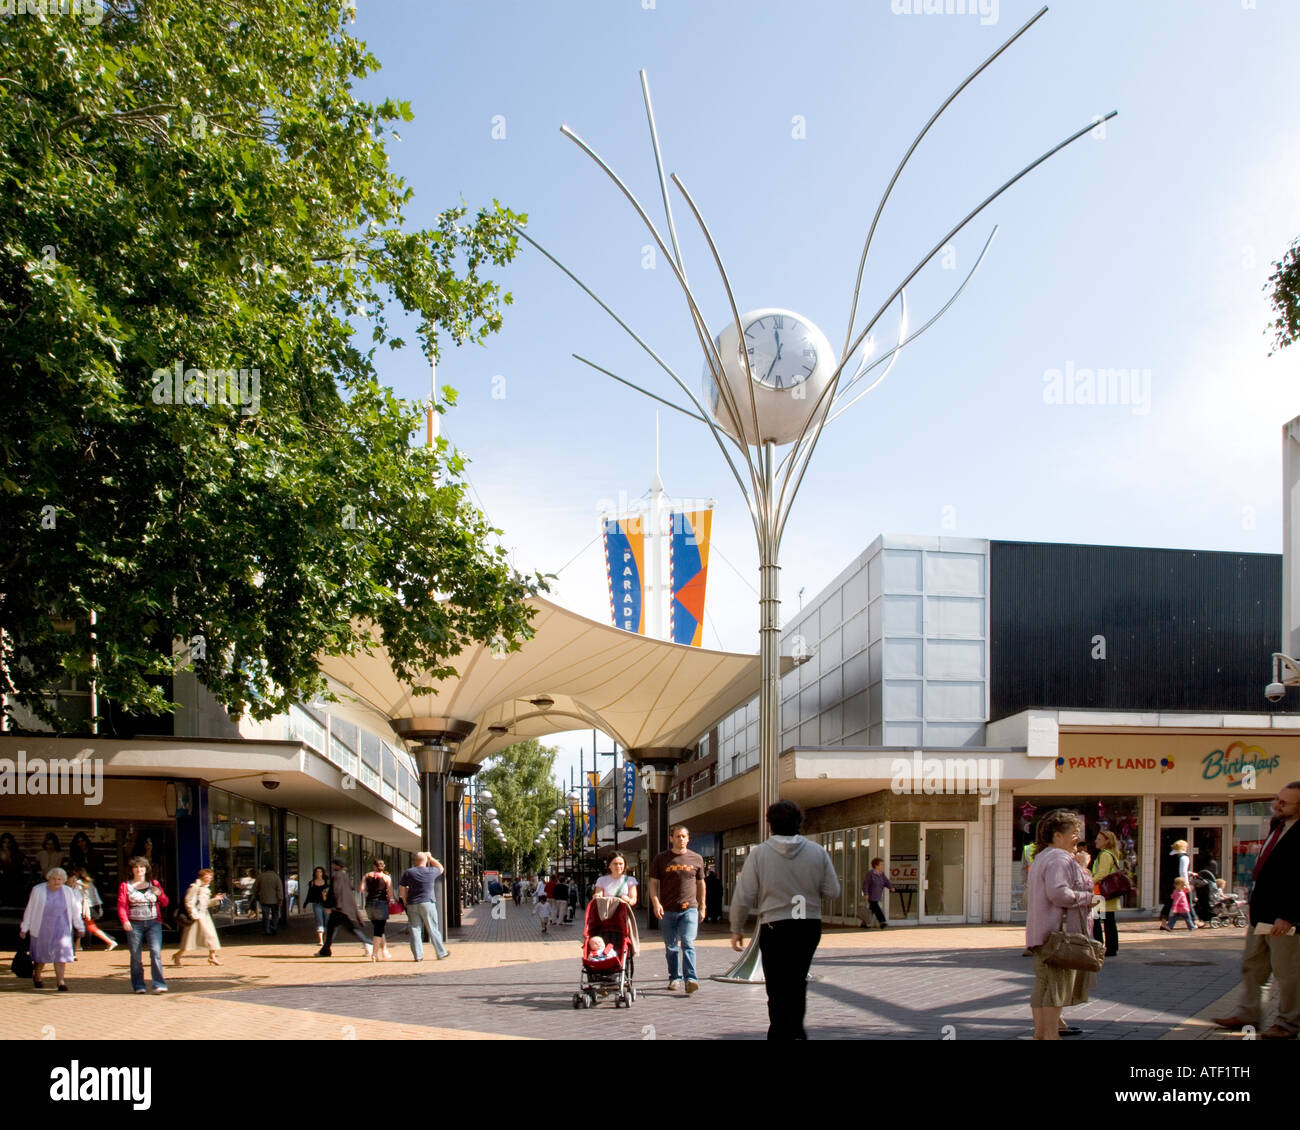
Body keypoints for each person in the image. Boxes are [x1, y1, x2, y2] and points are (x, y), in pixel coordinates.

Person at [729, 799, 842, 1040]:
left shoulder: (759, 853)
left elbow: (744, 894)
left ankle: (779, 1030)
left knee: (777, 985)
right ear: (799, 823)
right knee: (797, 981)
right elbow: (833, 891)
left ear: (770, 824)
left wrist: (737, 928)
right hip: (808, 926)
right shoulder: (817, 851)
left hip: (775, 926)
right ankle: (796, 1030)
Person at [1212, 781, 1300, 1039]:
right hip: (1261, 913)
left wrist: (1289, 915)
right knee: (1253, 966)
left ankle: (1288, 1024)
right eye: (1277, 799)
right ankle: (1248, 1014)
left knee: (1288, 972)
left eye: (1284, 802)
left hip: (1285, 918)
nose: (1277, 805)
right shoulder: (1278, 825)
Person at [1024, 810, 1096, 1040]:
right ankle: (1051, 1035)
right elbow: (1059, 894)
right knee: (1056, 987)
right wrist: (1088, 896)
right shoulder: (1059, 858)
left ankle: (1041, 1034)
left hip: (1041, 933)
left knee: (1043, 985)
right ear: (1057, 835)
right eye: (1074, 832)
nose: (1078, 838)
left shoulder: (1043, 857)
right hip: (1060, 936)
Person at [649, 824, 706, 993]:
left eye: (684, 836)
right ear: (671, 839)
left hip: (690, 908)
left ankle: (691, 979)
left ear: (688, 839)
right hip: (668, 909)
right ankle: (674, 977)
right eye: (677, 836)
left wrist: (702, 905)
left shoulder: (696, 858)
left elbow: (701, 883)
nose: (681, 839)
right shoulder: (661, 859)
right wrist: (656, 903)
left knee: (688, 942)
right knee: (671, 947)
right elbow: (652, 883)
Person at [20, 867, 85, 990]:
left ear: (64, 880)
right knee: (41, 955)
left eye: (60, 879)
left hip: (62, 926)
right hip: (42, 926)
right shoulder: (38, 890)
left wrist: (79, 926)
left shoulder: (68, 891)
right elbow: (30, 909)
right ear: (48, 879)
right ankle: (37, 975)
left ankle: (60, 982)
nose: (56, 881)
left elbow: (75, 911)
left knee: (61, 954)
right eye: (54, 879)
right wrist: (24, 928)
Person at [118, 856, 170, 994]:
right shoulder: (125, 886)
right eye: (136, 867)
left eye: (141, 867)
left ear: (146, 869)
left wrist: (159, 894)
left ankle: (159, 983)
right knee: (136, 956)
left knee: (155, 952)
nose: (139, 869)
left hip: (153, 923)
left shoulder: (154, 884)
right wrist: (124, 920)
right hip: (134, 924)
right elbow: (122, 905)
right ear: (131, 870)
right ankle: (138, 985)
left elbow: (165, 902)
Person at [317, 859, 373, 958]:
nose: (332, 865)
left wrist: (328, 905)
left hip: (340, 908)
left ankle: (368, 943)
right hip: (343, 907)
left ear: (337, 865)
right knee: (331, 928)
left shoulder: (336, 875)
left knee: (351, 928)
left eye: (334, 864)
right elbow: (348, 888)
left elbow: (334, 891)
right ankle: (325, 950)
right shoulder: (344, 875)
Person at [399, 852, 449, 961]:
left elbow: (402, 888)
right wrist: (431, 857)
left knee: (415, 929)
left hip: (412, 903)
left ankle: (418, 956)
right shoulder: (431, 871)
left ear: (415, 861)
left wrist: (404, 900)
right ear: (425, 861)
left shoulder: (409, 872)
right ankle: (441, 952)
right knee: (432, 928)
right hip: (427, 903)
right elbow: (441, 868)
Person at [173, 868, 225, 966]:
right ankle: (178, 955)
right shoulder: (195, 887)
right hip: (196, 917)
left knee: (212, 937)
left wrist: (215, 899)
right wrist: (194, 915)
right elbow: (188, 902)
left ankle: (212, 956)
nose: (209, 879)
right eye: (206, 877)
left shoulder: (206, 889)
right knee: (189, 940)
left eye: (210, 877)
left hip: (204, 916)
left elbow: (205, 904)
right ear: (201, 877)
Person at [1090, 830, 1123, 956]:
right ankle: (1112, 947)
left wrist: (1090, 882)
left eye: (1099, 839)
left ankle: (1101, 946)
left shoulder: (1104, 855)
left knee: (1097, 920)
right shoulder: (1112, 854)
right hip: (1107, 893)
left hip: (1100, 893)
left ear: (1107, 841)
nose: (1096, 841)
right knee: (1109, 921)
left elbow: (1102, 873)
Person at [68, 865, 117, 951]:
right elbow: (95, 895)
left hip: (85, 907)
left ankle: (110, 941)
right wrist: (99, 905)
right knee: (88, 927)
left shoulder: (78, 883)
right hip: (90, 906)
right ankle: (78, 946)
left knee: (90, 927)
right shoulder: (88, 882)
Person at [361, 859, 395, 961]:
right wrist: (391, 900)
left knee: (378, 927)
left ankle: (385, 951)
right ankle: (374, 954)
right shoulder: (386, 877)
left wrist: (370, 890)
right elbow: (390, 893)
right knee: (378, 930)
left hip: (369, 904)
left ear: (374, 866)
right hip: (381, 903)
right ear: (383, 867)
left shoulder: (367, 876)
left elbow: (362, 889)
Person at [1160, 840, 1193, 926]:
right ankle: (1194, 921)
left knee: (1168, 902)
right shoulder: (1183, 857)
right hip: (1179, 883)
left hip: (1169, 881)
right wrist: (1186, 884)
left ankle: (1163, 922)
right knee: (1188, 901)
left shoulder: (1169, 856)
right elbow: (1183, 872)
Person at [861, 857, 894, 929]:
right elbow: (866, 884)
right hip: (871, 895)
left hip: (878, 894)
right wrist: (866, 893)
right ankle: (882, 922)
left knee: (871, 910)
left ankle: (864, 923)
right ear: (876, 865)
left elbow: (886, 881)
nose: (882, 866)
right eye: (881, 864)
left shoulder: (881, 874)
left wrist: (891, 887)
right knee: (876, 908)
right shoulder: (870, 873)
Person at [304, 866, 330, 948]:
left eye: (320, 871)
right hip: (317, 904)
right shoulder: (312, 883)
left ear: (323, 873)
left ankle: (326, 940)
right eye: (317, 871)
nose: (318, 873)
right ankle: (321, 941)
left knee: (327, 922)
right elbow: (309, 894)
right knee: (319, 921)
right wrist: (305, 904)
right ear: (315, 873)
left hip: (326, 905)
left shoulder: (327, 882)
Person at [256, 861, 283, 935]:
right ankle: (274, 927)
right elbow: (279, 889)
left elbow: (255, 888)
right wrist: (280, 898)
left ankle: (267, 930)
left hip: (264, 899)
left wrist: (257, 896)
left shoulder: (260, 876)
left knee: (265, 915)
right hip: (275, 900)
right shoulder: (276, 877)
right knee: (275, 914)